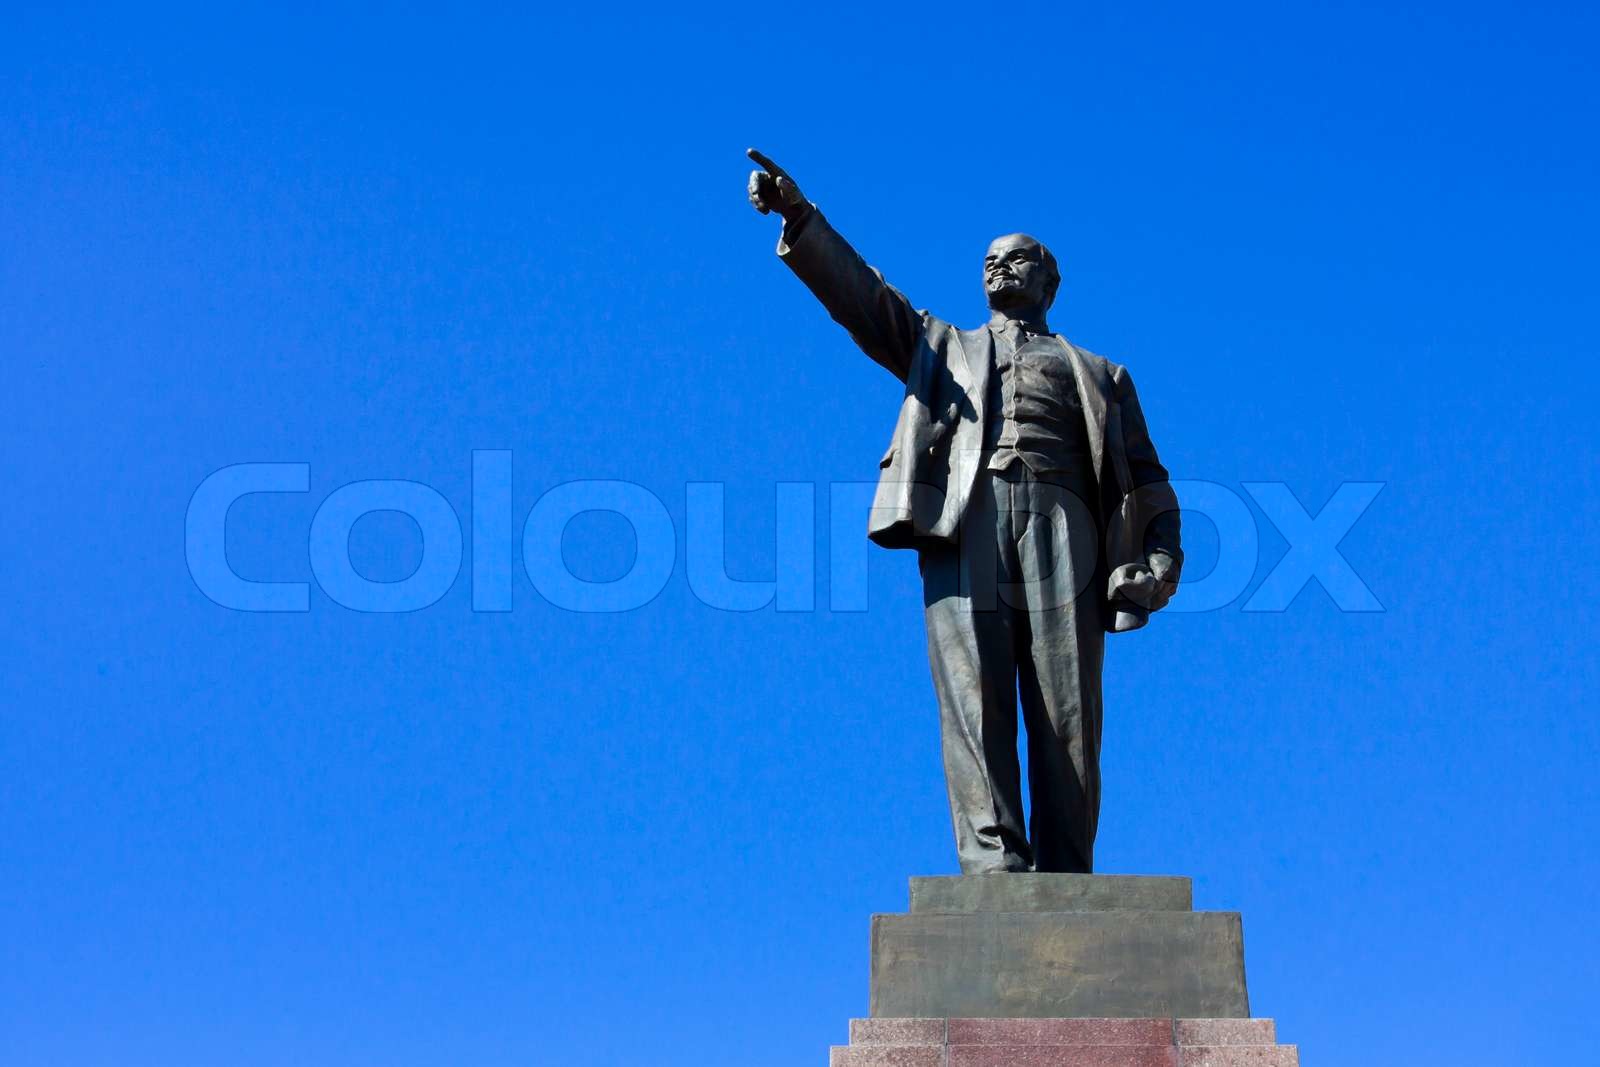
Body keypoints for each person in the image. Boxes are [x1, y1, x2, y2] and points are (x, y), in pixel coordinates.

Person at [747, 149, 1183, 874]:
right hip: (965, 514)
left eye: (1016, 259)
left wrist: (1162, 559)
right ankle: (993, 861)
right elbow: (865, 299)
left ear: (1050, 281)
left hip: (1066, 521)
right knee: (971, 688)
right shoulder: (941, 346)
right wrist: (800, 217)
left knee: (1067, 701)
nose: (998, 267)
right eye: (989, 260)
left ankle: (1067, 868)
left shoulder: (1103, 375)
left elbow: (1147, 477)